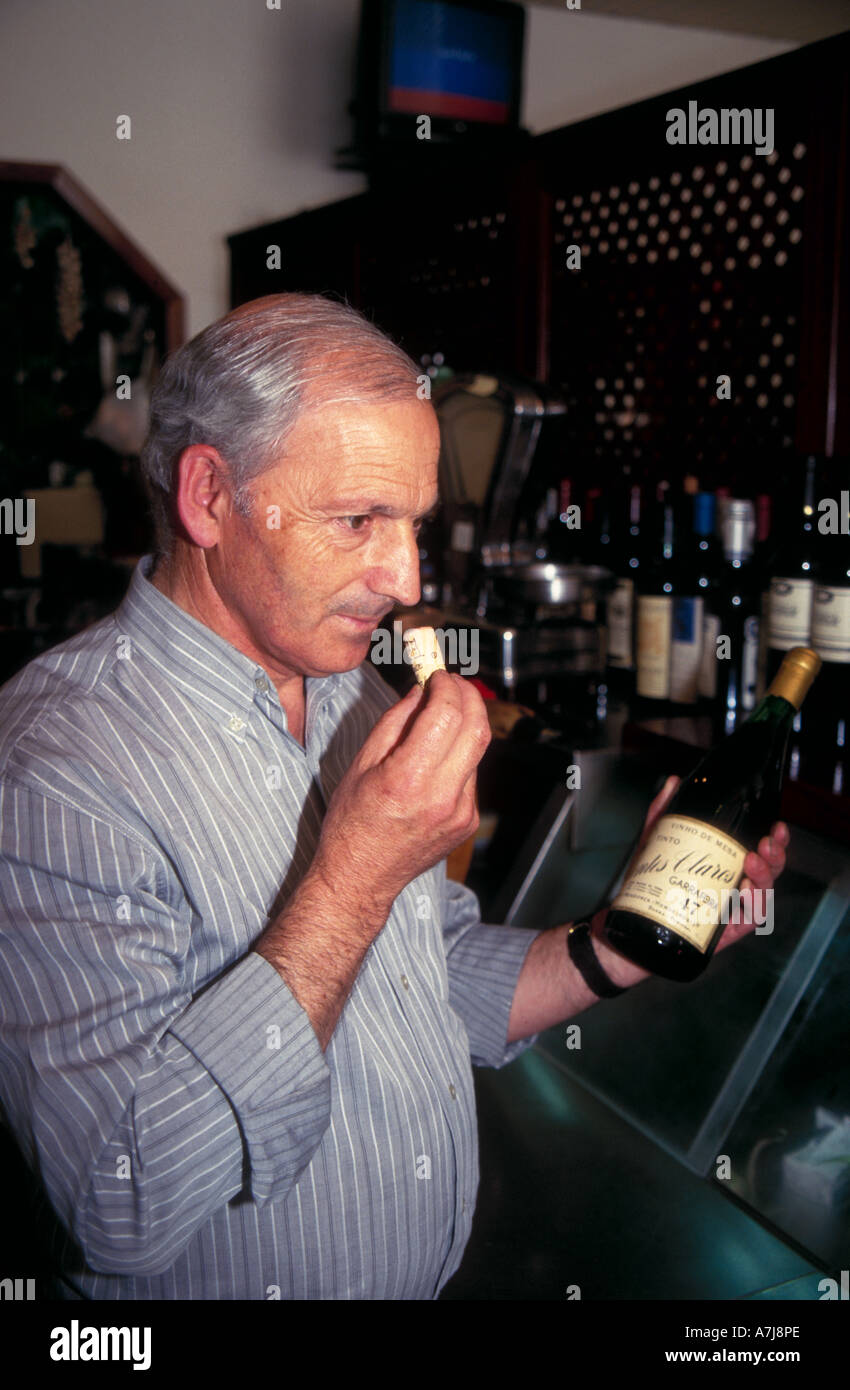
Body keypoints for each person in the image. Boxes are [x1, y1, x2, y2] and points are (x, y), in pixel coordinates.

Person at [0, 294, 789, 1300]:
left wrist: (620, 938)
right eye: (357, 519)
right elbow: (117, 1199)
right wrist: (355, 877)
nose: (406, 576)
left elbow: (424, 967)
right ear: (208, 496)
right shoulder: (52, 770)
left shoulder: (347, 687)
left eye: (413, 521)